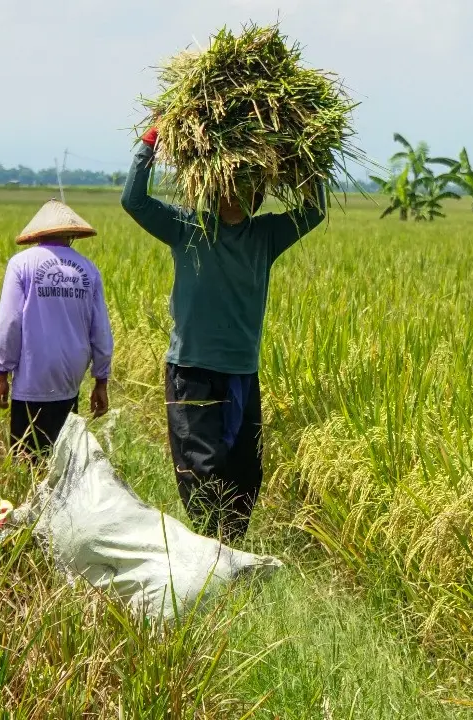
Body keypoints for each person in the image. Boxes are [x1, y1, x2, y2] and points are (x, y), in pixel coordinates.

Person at [120, 122, 326, 542]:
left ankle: (230, 546)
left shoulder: (266, 236)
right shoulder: (187, 228)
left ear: (257, 194)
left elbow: (315, 210)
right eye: (230, 185)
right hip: (191, 369)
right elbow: (134, 200)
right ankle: (208, 547)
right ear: (212, 189)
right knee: (201, 465)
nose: (238, 195)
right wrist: (150, 141)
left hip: (240, 373)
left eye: (248, 186)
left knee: (245, 468)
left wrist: (310, 149)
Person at [0, 198, 113, 458]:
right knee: (64, 459)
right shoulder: (88, 269)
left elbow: (10, 323)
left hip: (31, 376)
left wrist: (2, 373)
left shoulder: (21, 264)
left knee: (28, 460)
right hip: (71, 377)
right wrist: (101, 381)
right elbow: (101, 331)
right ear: (71, 234)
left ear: (40, 233)